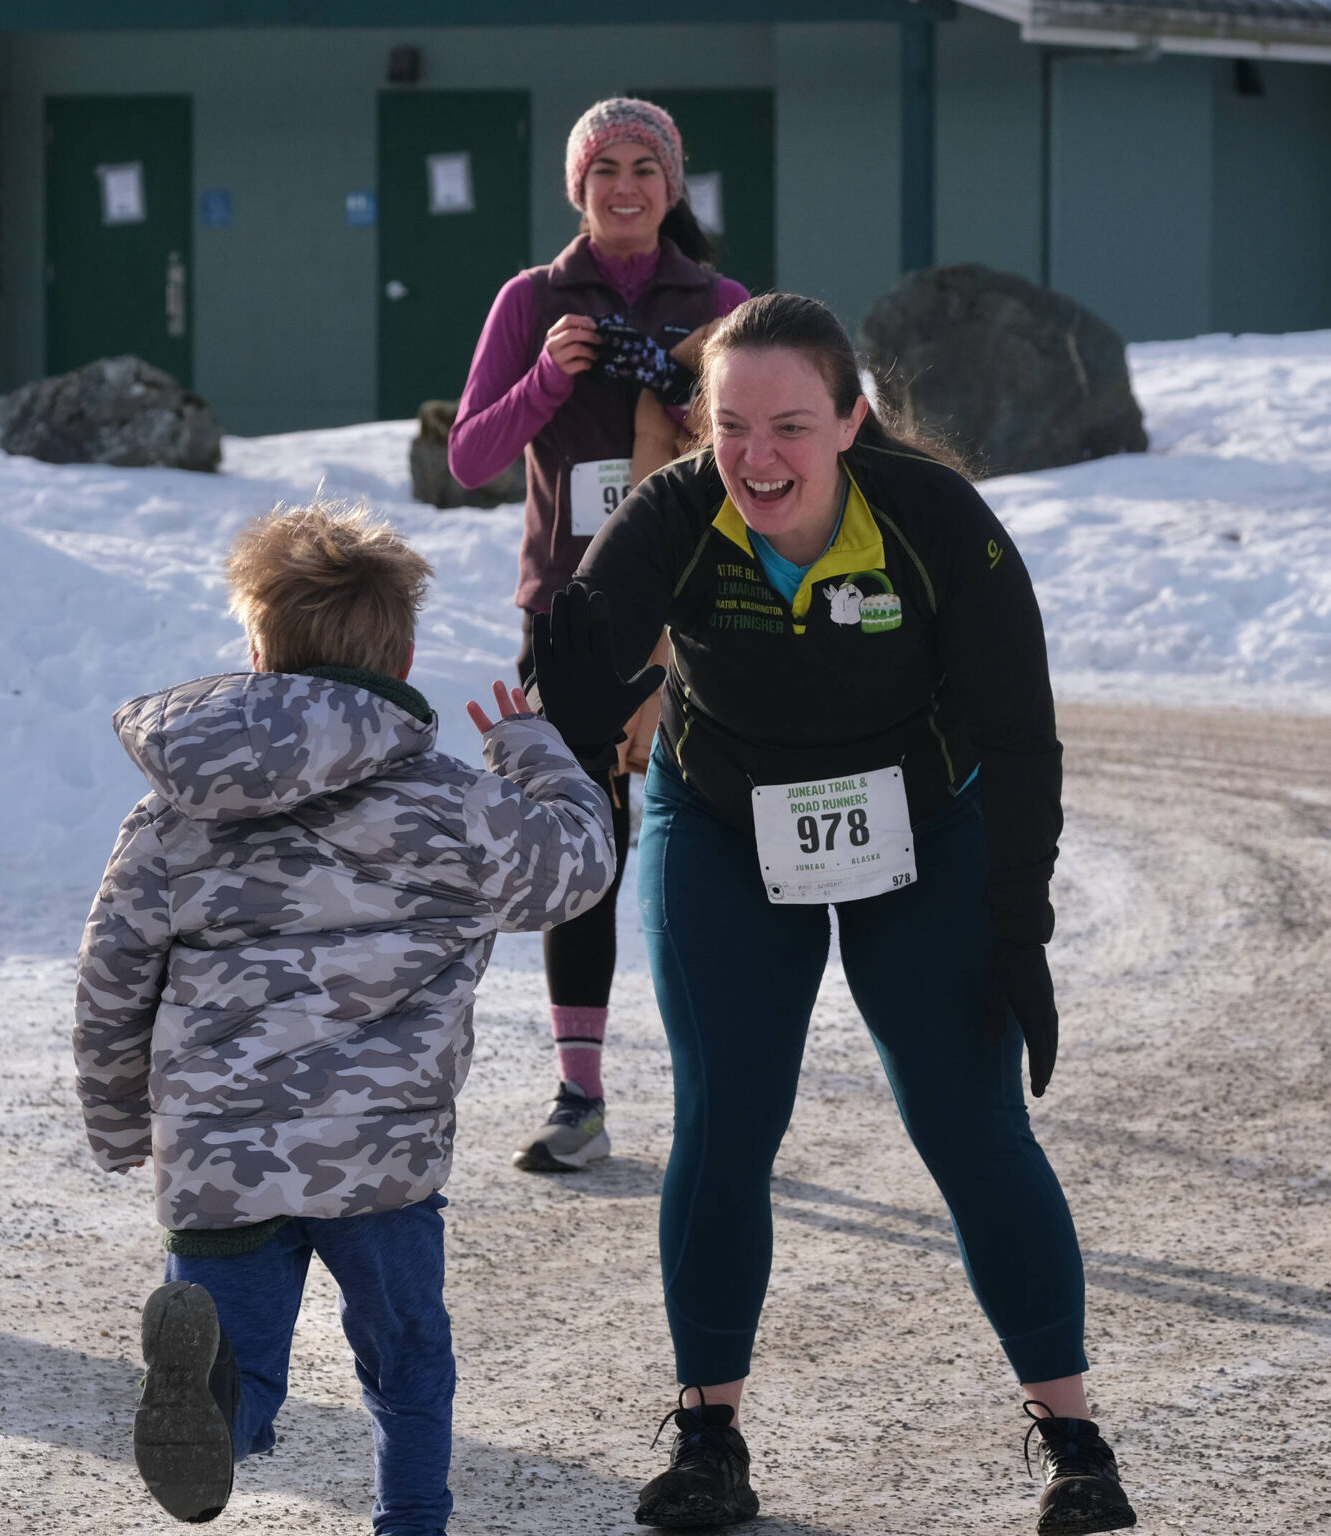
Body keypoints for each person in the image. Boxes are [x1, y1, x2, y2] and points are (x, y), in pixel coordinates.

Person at [530, 293, 1139, 1535]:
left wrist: (1016, 927)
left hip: (923, 830)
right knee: (726, 1120)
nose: (758, 458)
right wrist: (578, 687)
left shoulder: (935, 522)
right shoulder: (679, 508)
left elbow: (1021, 739)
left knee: (968, 1124)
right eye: (733, 425)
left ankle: (1075, 1442)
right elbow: (588, 641)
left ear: (852, 420)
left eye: (793, 426)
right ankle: (708, 1439)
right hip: (720, 826)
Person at [73, 502, 616, 1531]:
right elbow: (578, 867)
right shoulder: (454, 809)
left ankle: (216, 1410)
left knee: (242, 1362)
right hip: (381, 1158)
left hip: (219, 1149)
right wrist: (532, 750)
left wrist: (118, 1124)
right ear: (403, 654)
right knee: (406, 1358)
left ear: (257, 649)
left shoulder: (172, 814)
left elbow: (113, 978)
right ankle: (410, 1521)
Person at [448, 95, 749, 1173]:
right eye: (603, 168)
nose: (624, 185)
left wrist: (693, 391)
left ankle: (726, 1087)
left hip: (703, 616)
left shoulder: (719, 302)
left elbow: (776, 453)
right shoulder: (532, 300)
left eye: (644, 167)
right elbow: (472, 459)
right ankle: (580, 1098)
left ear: (672, 187)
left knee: (705, 841)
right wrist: (549, 378)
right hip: (568, 614)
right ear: (575, 188)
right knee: (585, 849)